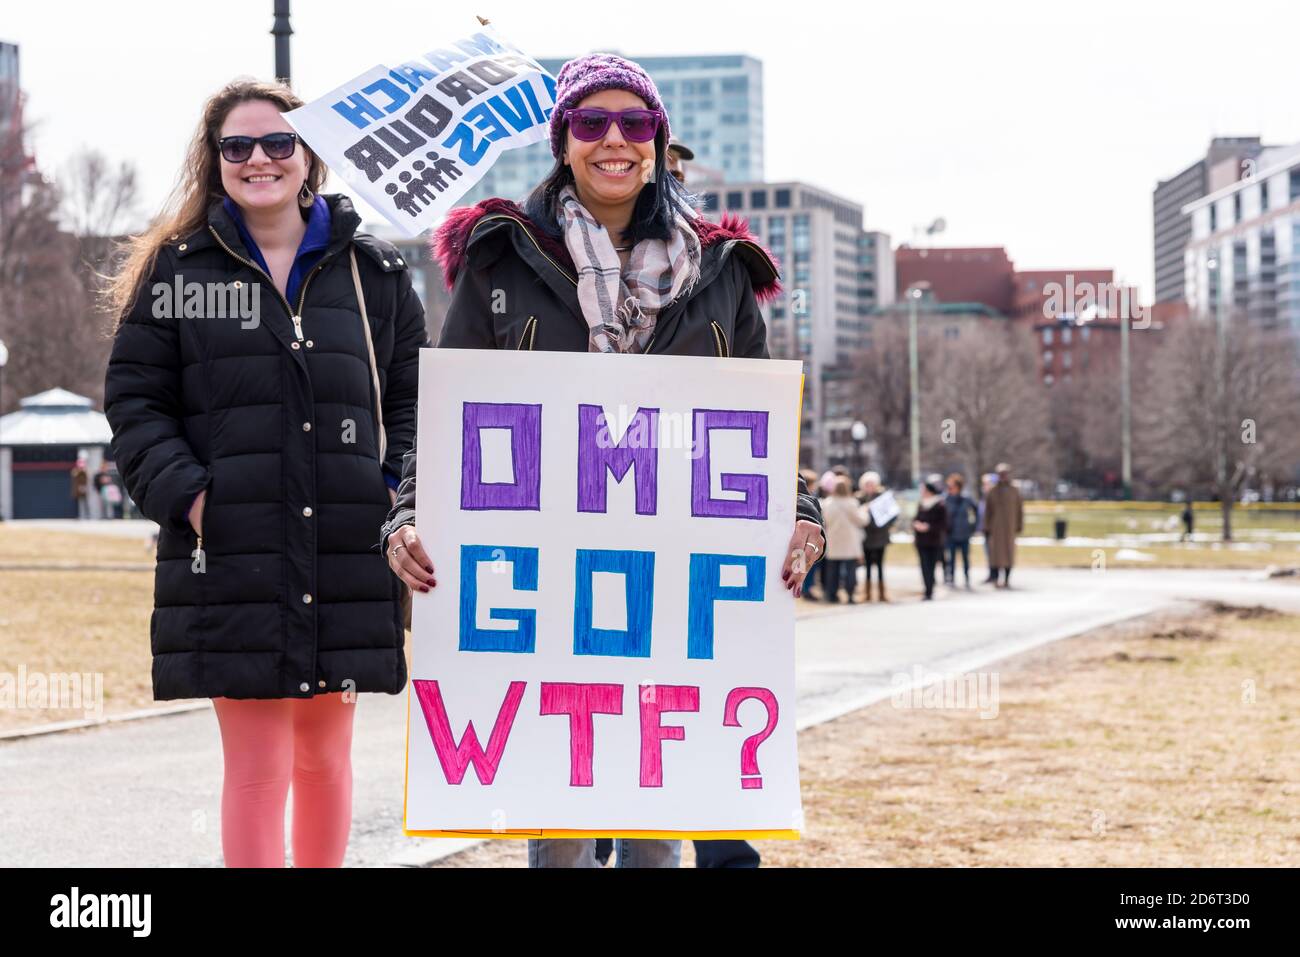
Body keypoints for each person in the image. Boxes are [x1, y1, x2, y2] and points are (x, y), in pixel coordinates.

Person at [380, 53, 825, 869]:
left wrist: (801, 513)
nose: (613, 139)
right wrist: (408, 514)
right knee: (561, 832)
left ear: (659, 141)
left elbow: (765, 429)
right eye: (591, 123)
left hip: (670, 595)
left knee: (657, 827)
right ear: (564, 141)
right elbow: (450, 416)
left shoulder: (725, 272)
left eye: (636, 123)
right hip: (553, 594)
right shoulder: (501, 260)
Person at [103, 78, 428, 867]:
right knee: (257, 766)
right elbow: (135, 402)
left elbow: (419, 402)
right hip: (234, 551)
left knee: (325, 757)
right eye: (237, 146)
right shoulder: (179, 276)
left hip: (349, 549)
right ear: (215, 163)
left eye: (279, 142)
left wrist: (393, 492)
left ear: (310, 153)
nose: (259, 159)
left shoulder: (374, 276)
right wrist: (193, 497)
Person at [819, 475, 867, 603]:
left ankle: (831, 595)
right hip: (849, 540)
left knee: (832, 570)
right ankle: (850, 595)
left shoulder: (827, 503)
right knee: (850, 569)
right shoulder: (852, 503)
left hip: (833, 539)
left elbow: (824, 522)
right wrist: (865, 512)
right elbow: (862, 521)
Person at [983, 462, 1024, 589]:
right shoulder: (993, 491)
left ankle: (1006, 579)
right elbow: (987, 511)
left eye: (1005, 474)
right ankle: (995, 578)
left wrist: (1019, 525)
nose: (1003, 476)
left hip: (1010, 527)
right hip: (996, 528)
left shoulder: (1014, 490)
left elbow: (1019, 509)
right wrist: (986, 526)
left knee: (1009, 554)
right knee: (995, 555)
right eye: (1001, 474)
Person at [857, 471, 894, 602]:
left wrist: (886, 524)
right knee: (867, 566)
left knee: (879, 565)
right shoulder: (859, 498)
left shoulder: (883, 497)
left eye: (872, 484)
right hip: (866, 537)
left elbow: (892, 514)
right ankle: (866, 593)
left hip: (880, 536)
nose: (870, 487)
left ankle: (882, 593)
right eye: (867, 484)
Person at [912, 474, 948, 601]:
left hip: (934, 541)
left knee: (931, 566)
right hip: (921, 541)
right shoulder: (921, 504)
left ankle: (930, 589)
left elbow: (943, 524)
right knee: (923, 566)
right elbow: (915, 518)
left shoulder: (940, 505)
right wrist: (916, 524)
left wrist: (929, 527)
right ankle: (926, 589)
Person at [942, 472, 978, 589]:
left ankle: (967, 579)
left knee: (965, 558)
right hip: (951, 534)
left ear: (958, 487)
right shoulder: (946, 499)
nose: (949, 489)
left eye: (951, 486)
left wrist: (973, 526)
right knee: (950, 559)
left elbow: (976, 511)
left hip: (964, 533)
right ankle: (950, 579)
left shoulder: (966, 499)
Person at [977, 472, 998, 584]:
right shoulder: (984, 497)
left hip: (993, 531)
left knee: (994, 553)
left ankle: (995, 574)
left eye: (986, 484)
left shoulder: (994, 498)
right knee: (988, 553)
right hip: (985, 529)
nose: (984, 486)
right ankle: (991, 574)